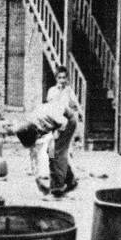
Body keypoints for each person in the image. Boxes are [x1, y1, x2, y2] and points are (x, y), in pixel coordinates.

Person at [44, 68, 81, 198]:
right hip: (55, 122)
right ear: (56, 78)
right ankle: (70, 179)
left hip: (66, 124)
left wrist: (65, 93)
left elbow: (73, 107)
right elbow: (51, 106)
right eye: (59, 77)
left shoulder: (69, 91)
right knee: (52, 152)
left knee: (57, 152)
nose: (62, 80)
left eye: (64, 77)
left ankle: (57, 186)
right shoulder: (51, 91)